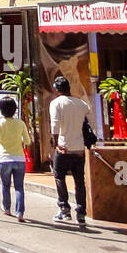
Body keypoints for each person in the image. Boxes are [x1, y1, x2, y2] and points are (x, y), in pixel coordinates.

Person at [48, 75, 92, 226]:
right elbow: (89, 113)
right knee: (79, 181)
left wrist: (55, 143)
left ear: (56, 89)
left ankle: (64, 209)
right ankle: (81, 213)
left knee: (59, 176)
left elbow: (54, 125)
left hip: (64, 147)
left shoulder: (56, 103)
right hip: (79, 148)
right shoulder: (81, 104)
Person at [0, 95, 31, 222]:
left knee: (5, 185)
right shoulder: (20, 123)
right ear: (14, 109)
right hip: (19, 159)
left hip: (4, 159)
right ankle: (20, 213)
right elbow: (27, 141)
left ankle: (6, 208)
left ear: (1, 109)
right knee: (19, 187)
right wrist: (20, 139)